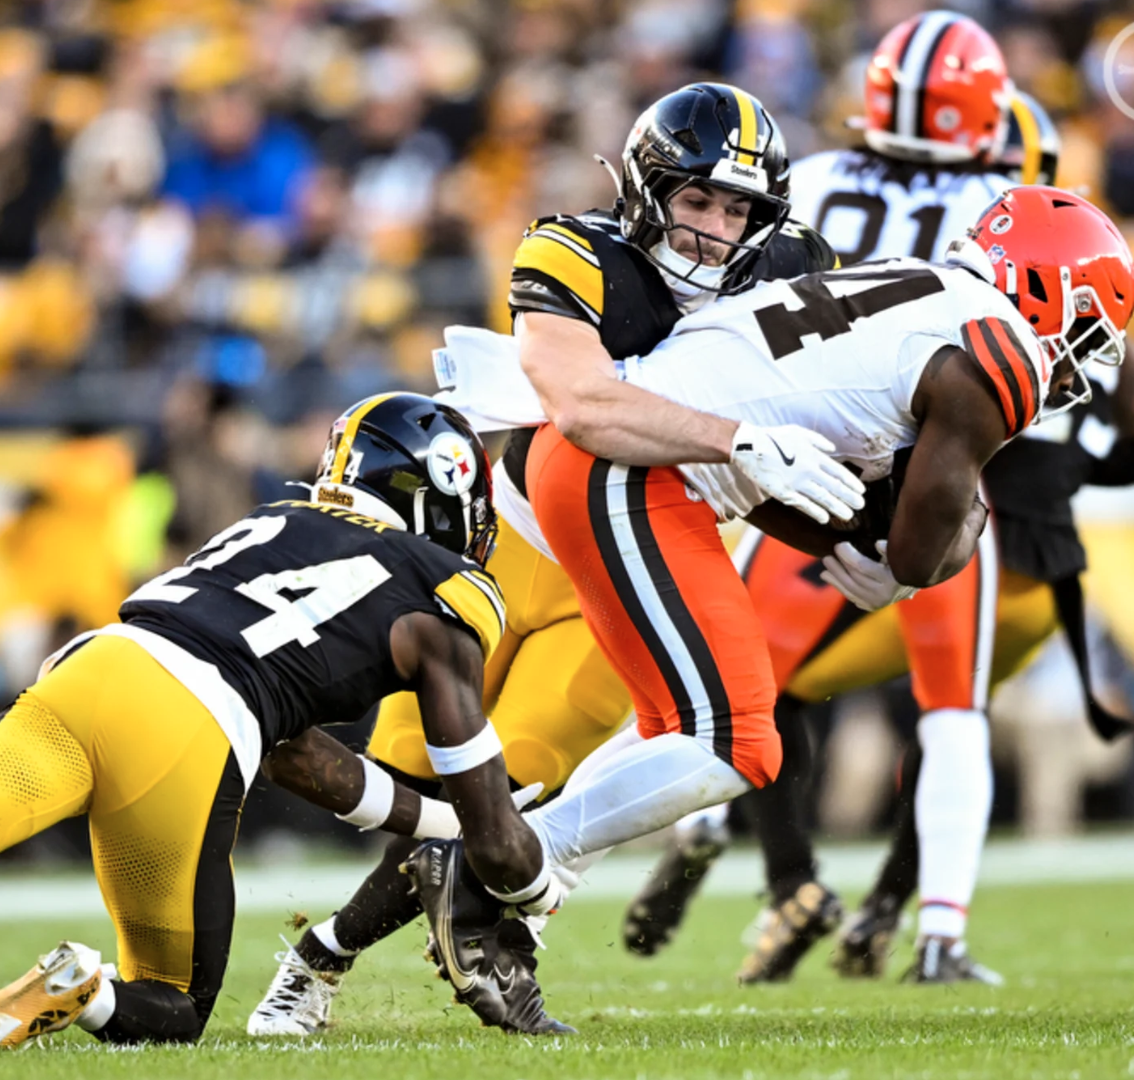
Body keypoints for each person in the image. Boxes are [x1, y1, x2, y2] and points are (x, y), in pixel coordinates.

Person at [411, 183, 1134, 1027]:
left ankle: (515, 895)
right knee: (740, 743)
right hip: (633, 467)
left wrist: (878, 543)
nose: (1082, 356)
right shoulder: (997, 350)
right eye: (1086, 325)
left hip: (629, 466)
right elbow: (917, 543)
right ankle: (498, 860)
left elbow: (806, 444)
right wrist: (918, 559)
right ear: (1046, 290)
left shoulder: (921, 288)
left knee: (684, 733)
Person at [0, 393, 558, 1048]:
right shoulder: (444, 591)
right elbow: (490, 828)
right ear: (439, 494)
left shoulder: (273, 519)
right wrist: (533, 877)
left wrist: (435, 822)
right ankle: (78, 988)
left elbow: (312, 766)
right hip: (191, 728)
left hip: (97, 665)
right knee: (174, 1007)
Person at [245, 83, 852, 1038]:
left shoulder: (794, 268)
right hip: (509, 540)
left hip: (635, 567)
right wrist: (736, 438)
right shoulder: (575, 250)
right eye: (697, 200)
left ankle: (320, 957)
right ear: (650, 190)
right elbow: (581, 403)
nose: (715, 229)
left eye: (738, 209)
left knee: (505, 787)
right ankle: (333, 950)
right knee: (406, 789)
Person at [618, 38, 1073, 982]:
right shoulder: (995, 208)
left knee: (735, 688)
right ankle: (933, 930)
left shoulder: (815, 177)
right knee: (952, 704)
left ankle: (727, 842)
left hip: (791, 451)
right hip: (927, 453)